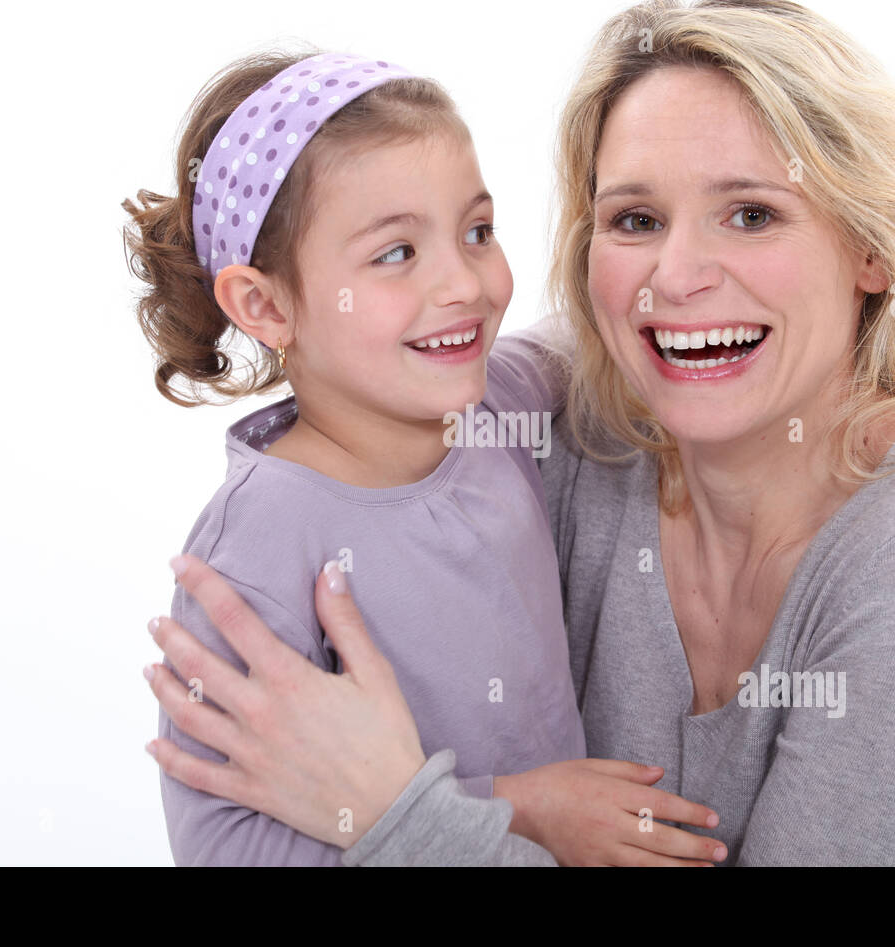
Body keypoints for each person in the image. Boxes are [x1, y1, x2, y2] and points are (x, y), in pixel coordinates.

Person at [145, 0, 895, 866]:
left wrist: (407, 814)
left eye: (749, 212)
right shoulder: (560, 417)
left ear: (871, 246)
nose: (677, 277)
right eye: (637, 218)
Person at [123, 47, 726, 865]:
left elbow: (598, 336)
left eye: (478, 232)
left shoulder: (497, 403)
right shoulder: (256, 553)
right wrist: (517, 810)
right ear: (263, 303)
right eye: (397, 253)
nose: (467, 285)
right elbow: (231, 851)